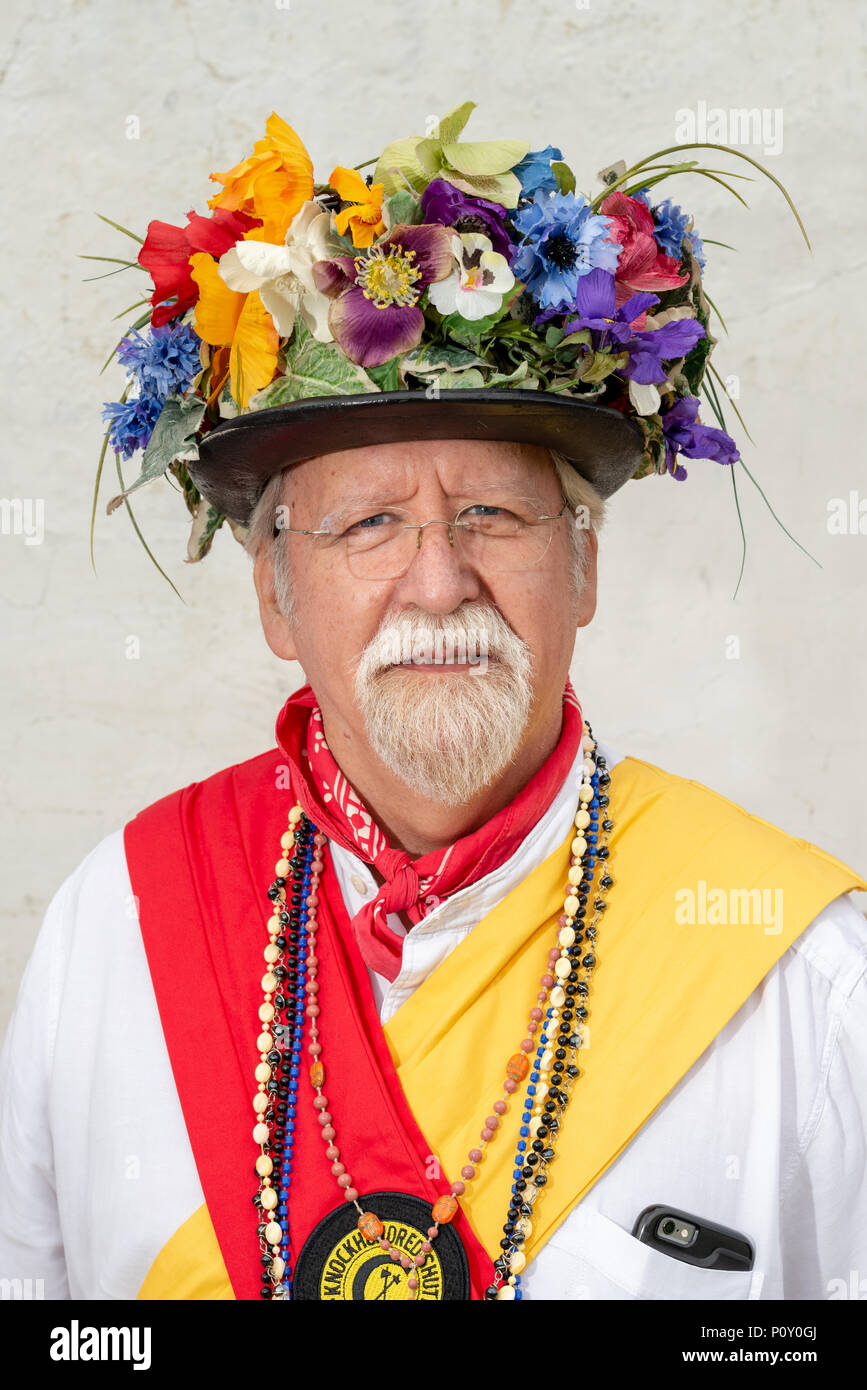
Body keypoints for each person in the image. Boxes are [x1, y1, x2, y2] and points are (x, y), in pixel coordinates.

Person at [1, 108, 864, 1302]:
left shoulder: (802, 968)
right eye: (369, 524)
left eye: (494, 516)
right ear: (275, 595)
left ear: (585, 569)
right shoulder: (117, 923)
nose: (440, 579)